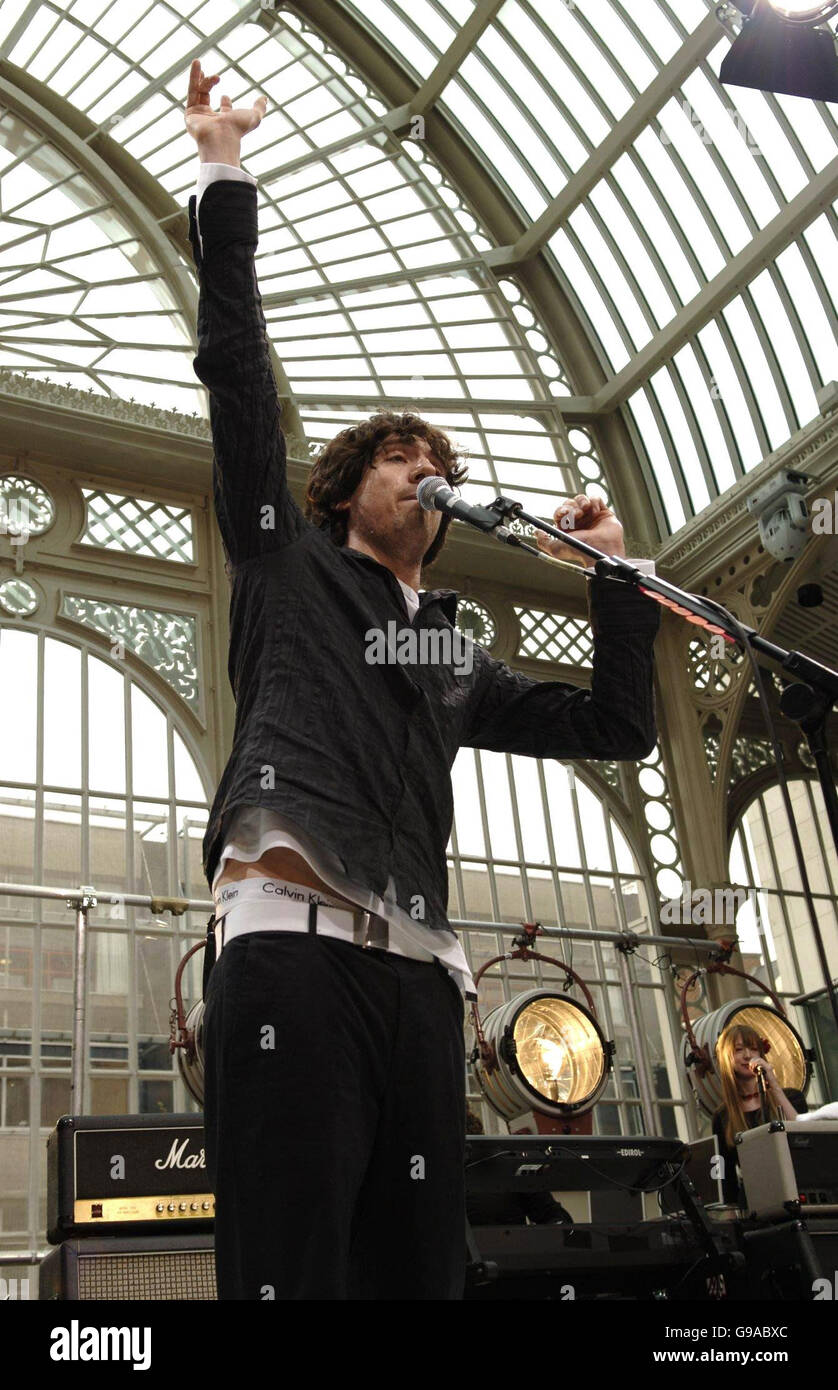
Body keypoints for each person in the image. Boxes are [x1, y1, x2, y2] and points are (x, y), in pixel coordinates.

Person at [184, 59, 661, 1300]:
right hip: (292, 957)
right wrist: (223, 169)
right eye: (401, 456)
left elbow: (616, 729)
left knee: (420, 1278)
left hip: (419, 978)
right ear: (347, 488)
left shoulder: (445, 647)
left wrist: (611, 578)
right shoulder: (284, 565)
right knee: (294, 1270)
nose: (424, 471)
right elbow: (239, 374)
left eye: (437, 463)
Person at [711, 1021, 808, 1205]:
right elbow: (726, 1178)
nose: (747, 1055)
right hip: (754, 1201)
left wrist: (774, 1087)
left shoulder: (792, 1097)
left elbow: (803, 1135)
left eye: (753, 1049)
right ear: (726, 1057)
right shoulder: (723, 1116)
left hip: (797, 1191)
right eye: (739, 1050)